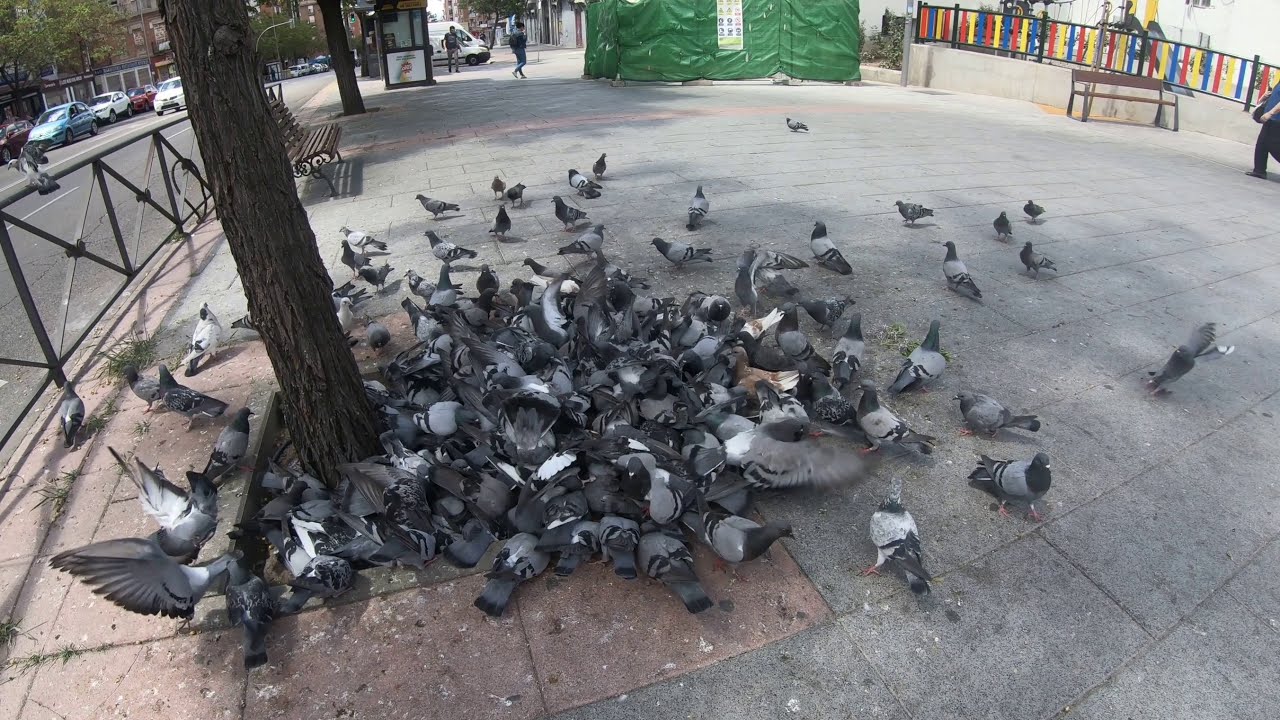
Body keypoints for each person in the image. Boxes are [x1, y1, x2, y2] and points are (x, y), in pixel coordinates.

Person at [1247, 84, 1280, 180]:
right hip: (1271, 119)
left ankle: (1259, 170)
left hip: (1277, 120)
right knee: (1262, 143)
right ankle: (1259, 170)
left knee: (1273, 146)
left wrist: (1271, 113)